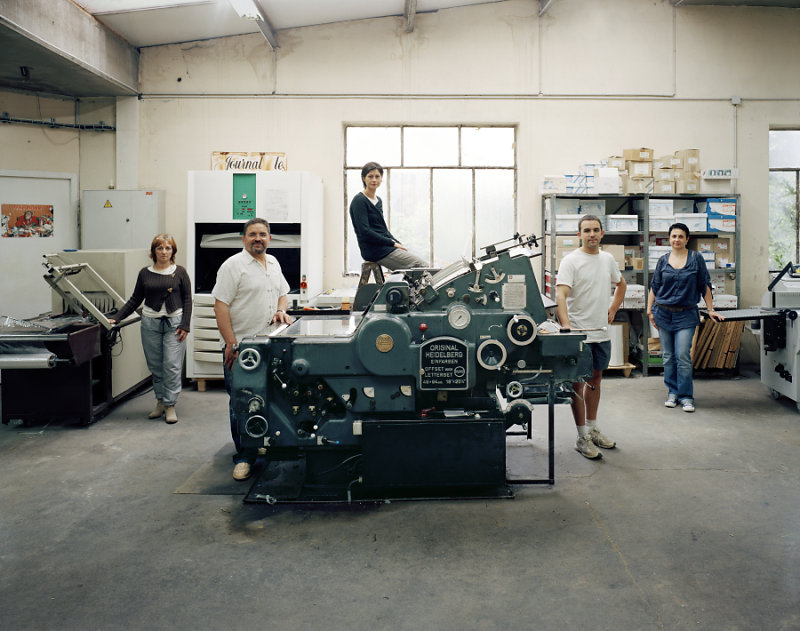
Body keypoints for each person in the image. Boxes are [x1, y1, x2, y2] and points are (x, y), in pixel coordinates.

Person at [213, 218, 293, 481]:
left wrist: (281, 310)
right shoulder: (233, 266)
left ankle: (268, 447)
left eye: (262, 234)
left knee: (271, 398)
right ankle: (245, 457)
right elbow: (220, 306)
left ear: (269, 238)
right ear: (243, 238)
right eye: (252, 234)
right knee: (242, 404)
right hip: (244, 349)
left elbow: (283, 292)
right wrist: (231, 343)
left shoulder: (273, 263)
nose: (257, 238)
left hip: (269, 345)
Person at [556, 215, 626, 460]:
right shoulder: (570, 261)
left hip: (600, 332)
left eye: (596, 230)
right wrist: (566, 326)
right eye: (587, 230)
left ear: (602, 233)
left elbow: (621, 285)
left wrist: (613, 308)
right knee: (577, 384)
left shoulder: (607, 260)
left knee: (596, 379)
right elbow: (561, 296)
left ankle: (593, 428)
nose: (592, 234)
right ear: (579, 235)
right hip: (579, 333)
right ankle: (581, 436)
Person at [109, 234, 192, 424]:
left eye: (168, 248)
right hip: (150, 323)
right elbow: (135, 299)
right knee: (155, 365)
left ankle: (171, 405)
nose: (164, 252)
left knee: (171, 364)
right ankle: (160, 402)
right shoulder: (144, 273)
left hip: (175, 324)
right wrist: (117, 318)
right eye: (160, 248)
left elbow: (187, 299)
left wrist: (185, 324)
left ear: (173, 251)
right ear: (153, 251)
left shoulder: (180, 272)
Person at [647, 222, 724, 412]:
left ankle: (686, 396)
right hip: (663, 313)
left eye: (681, 236)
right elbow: (654, 287)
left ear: (687, 239)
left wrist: (710, 308)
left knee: (682, 355)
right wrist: (649, 310)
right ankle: (672, 393)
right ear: (669, 239)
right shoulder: (663, 260)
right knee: (667, 356)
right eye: (673, 236)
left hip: (687, 314)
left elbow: (704, 284)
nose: (677, 240)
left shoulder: (696, 258)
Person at [349, 161, 427, 271]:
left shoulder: (378, 200)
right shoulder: (359, 201)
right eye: (370, 176)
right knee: (421, 267)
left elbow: (383, 230)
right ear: (363, 178)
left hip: (384, 247)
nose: (374, 180)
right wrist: (392, 243)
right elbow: (365, 232)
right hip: (374, 250)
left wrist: (397, 242)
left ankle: (409, 288)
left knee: (419, 265)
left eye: (377, 176)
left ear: (381, 178)